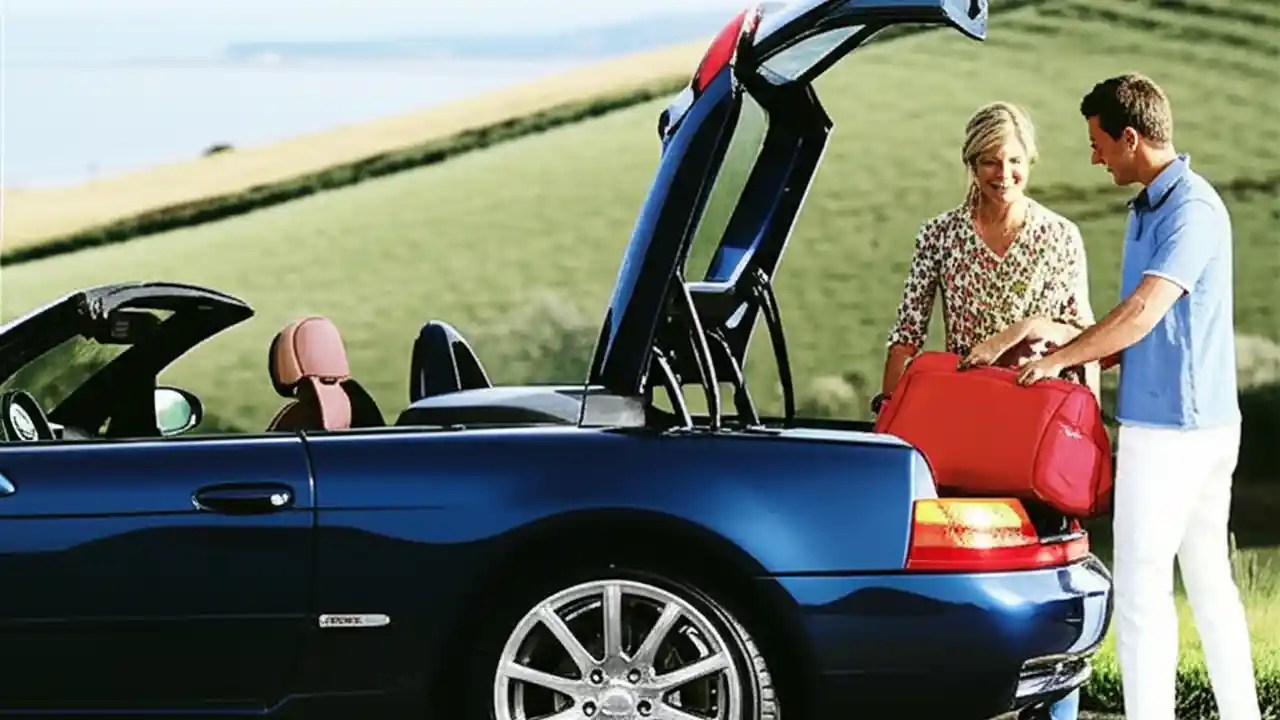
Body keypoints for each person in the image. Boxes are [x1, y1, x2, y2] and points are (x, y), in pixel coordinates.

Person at [1010, 74, 1261, 720]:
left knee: (1146, 592)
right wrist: (1057, 350)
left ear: (1131, 137)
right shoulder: (1149, 208)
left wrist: (1063, 357)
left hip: (1174, 433)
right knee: (1208, 585)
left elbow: (1143, 311)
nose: (1094, 157)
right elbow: (1139, 331)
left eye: (1099, 144)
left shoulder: (1192, 209)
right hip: (1185, 428)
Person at [876, 100, 1099, 720]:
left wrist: (1023, 330)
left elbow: (1082, 333)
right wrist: (891, 423)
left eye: (1016, 161)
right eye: (990, 162)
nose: (1004, 173)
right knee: (960, 581)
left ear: (1031, 161)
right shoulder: (939, 235)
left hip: (1035, 431)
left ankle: (1056, 706)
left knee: (1051, 575)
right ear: (971, 164)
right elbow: (906, 334)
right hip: (962, 431)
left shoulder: (1060, 235)